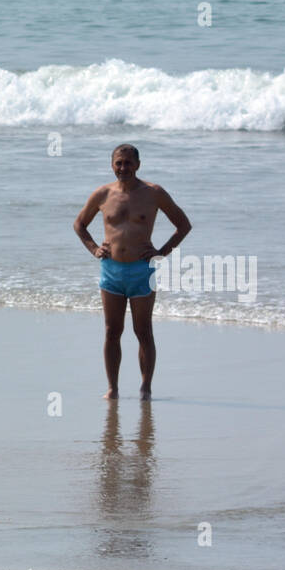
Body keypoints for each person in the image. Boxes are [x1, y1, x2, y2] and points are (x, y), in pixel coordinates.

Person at [73, 144, 191, 399]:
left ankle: (146, 388)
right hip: (112, 271)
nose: (123, 168)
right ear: (112, 165)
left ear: (138, 165)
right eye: (119, 163)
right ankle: (113, 389)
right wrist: (94, 248)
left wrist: (162, 252)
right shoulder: (102, 194)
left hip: (141, 271)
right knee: (111, 331)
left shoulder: (153, 193)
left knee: (143, 330)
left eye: (128, 163)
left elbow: (183, 225)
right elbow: (79, 224)